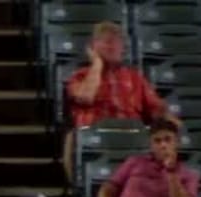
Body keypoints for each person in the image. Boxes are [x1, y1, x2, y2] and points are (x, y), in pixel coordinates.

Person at [62, 20, 175, 179]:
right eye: (107, 41)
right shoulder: (80, 76)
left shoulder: (135, 78)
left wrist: (173, 123)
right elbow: (86, 97)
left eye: (117, 42)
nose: (112, 46)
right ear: (93, 47)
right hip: (95, 139)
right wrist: (97, 65)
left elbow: (158, 110)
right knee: (72, 139)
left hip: (131, 138)